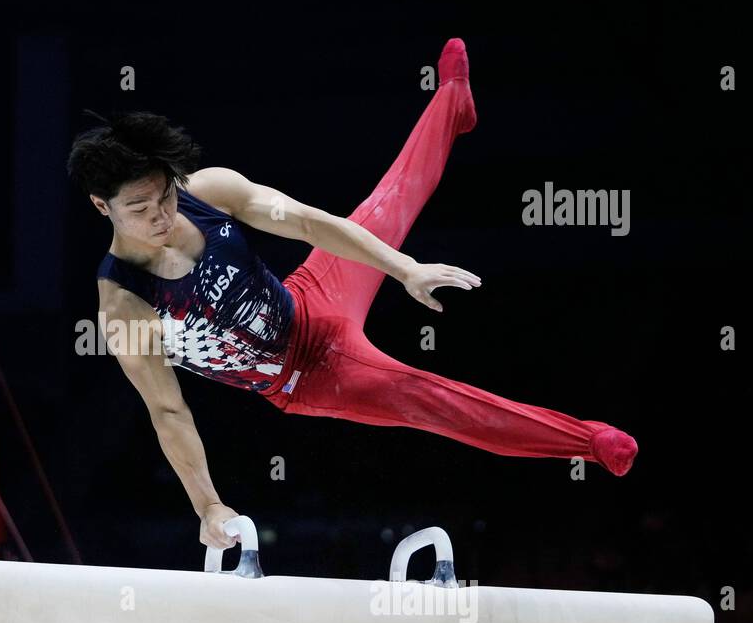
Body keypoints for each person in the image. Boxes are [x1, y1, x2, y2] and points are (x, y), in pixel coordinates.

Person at [68, 38, 638, 554]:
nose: (161, 215)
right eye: (140, 210)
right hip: (307, 373)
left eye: (164, 197)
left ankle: (451, 106)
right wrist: (208, 505)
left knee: (382, 208)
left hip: (308, 297)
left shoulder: (209, 193)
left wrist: (404, 269)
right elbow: (167, 409)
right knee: (436, 401)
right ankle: (588, 442)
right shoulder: (124, 302)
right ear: (103, 208)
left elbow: (309, 223)